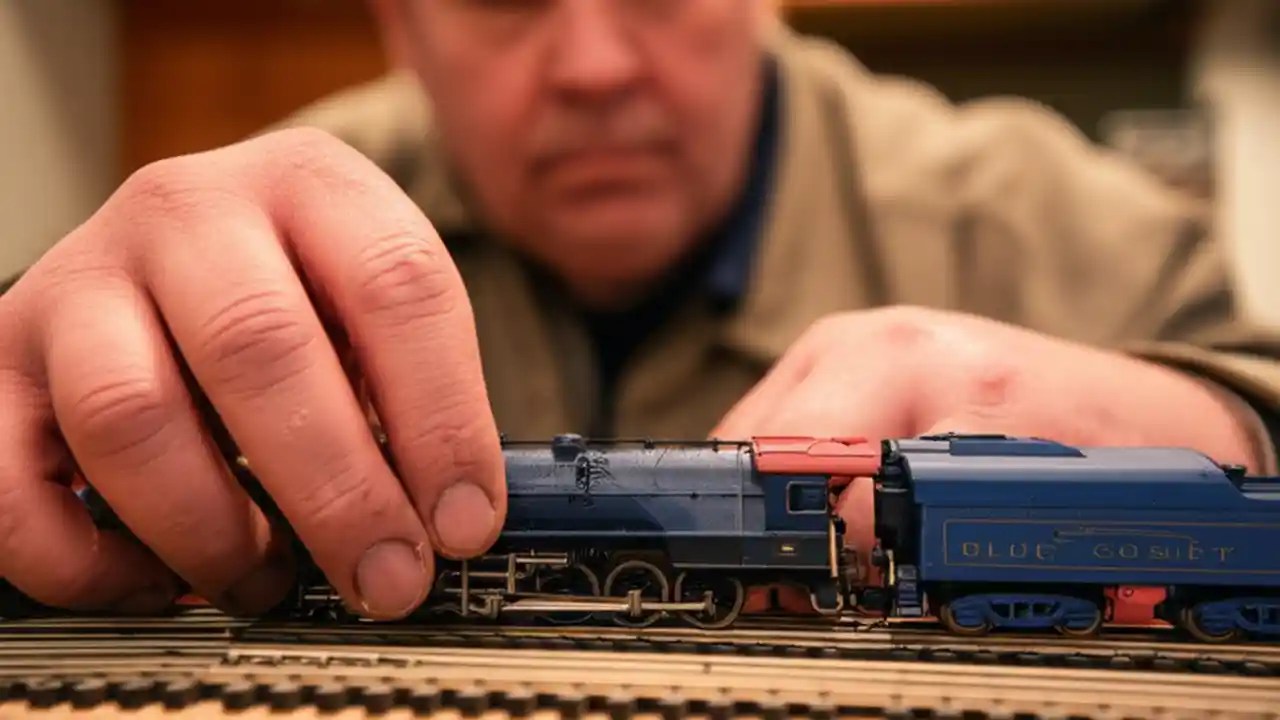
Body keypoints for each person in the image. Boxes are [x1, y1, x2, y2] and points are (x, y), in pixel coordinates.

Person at [1, 0, 1278, 622]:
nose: (597, 64)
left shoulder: (1077, 226)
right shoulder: (252, 248)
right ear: (402, 27)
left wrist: (1236, 421)